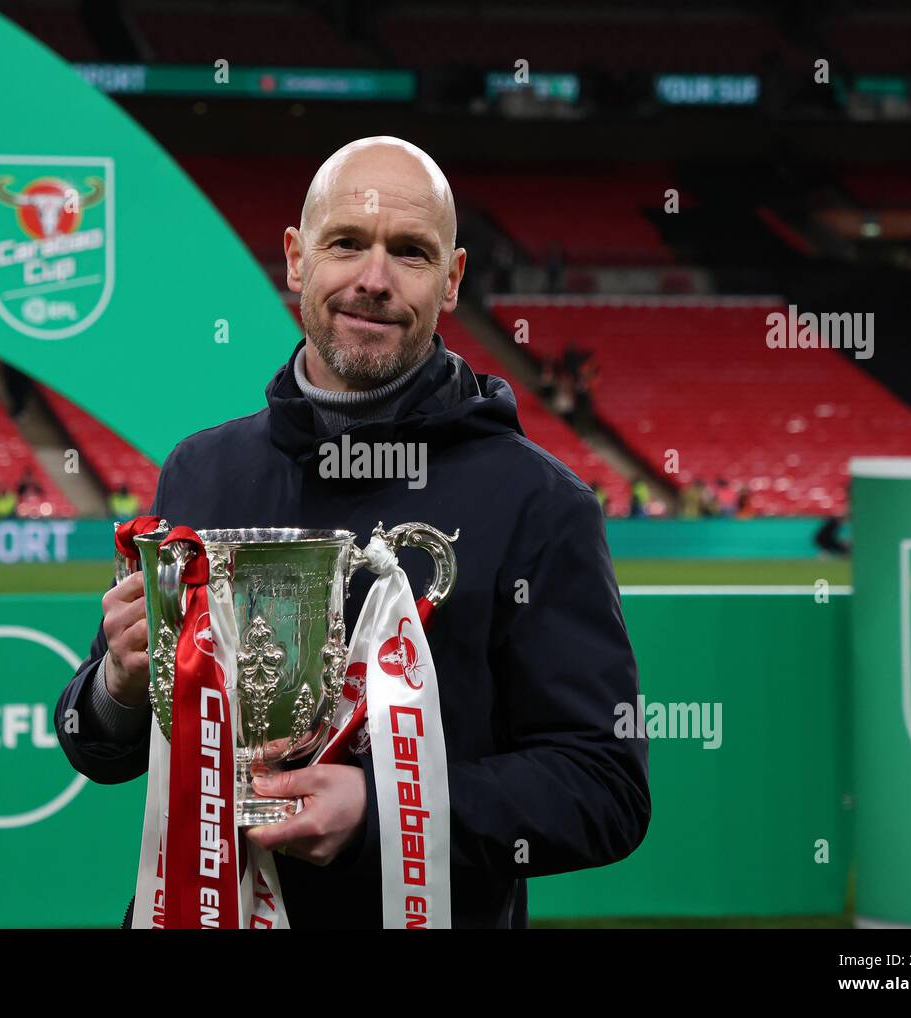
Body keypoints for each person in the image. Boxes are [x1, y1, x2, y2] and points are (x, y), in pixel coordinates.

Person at [54, 136, 649, 930]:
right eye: (347, 244)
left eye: (409, 251)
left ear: (451, 280)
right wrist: (117, 688)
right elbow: (96, 745)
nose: (373, 280)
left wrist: (385, 811)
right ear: (298, 260)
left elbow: (605, 789)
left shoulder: (539, 502)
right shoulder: (201, 472)